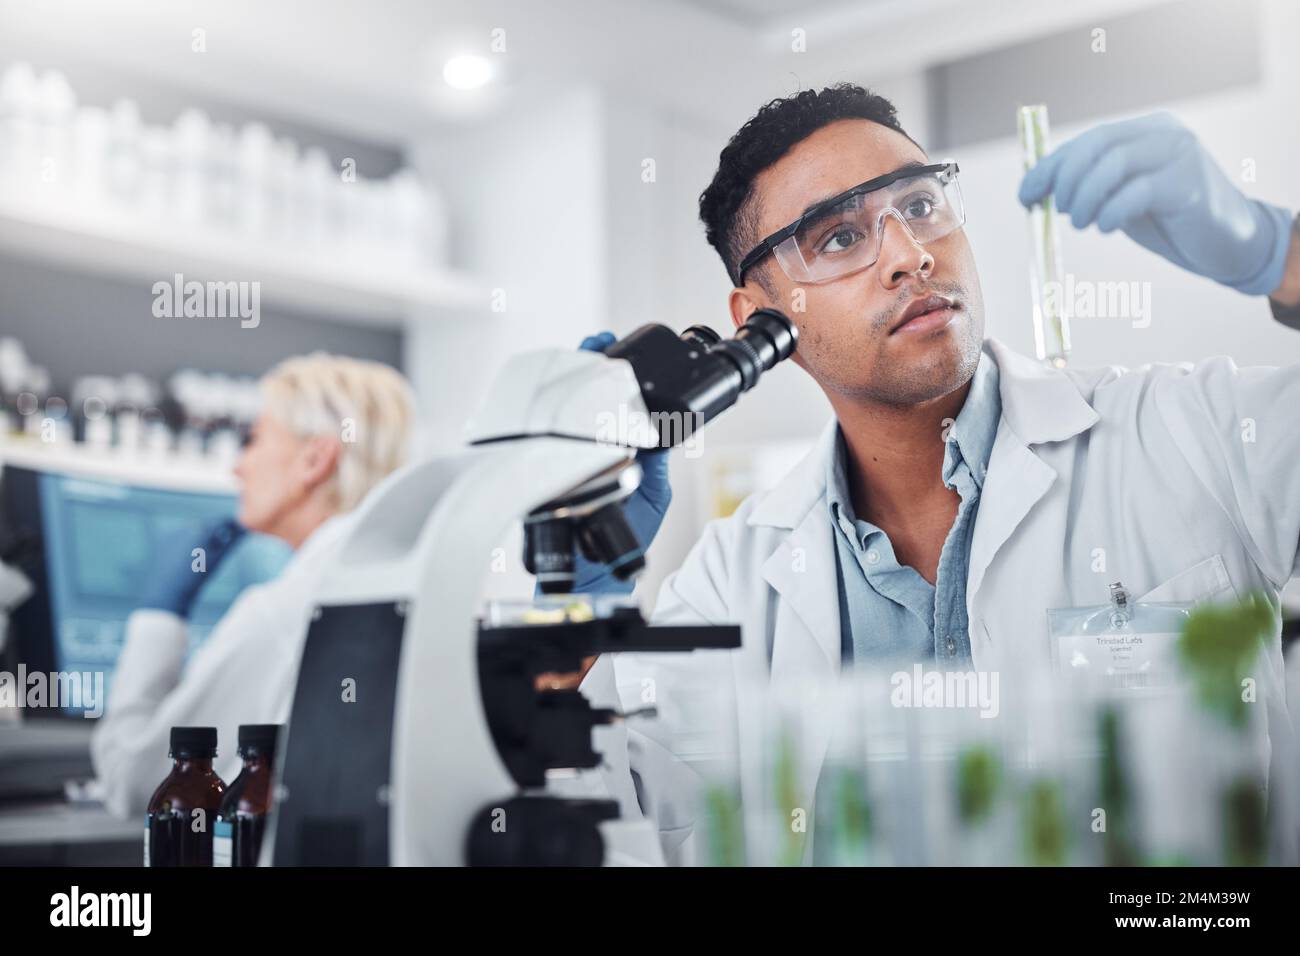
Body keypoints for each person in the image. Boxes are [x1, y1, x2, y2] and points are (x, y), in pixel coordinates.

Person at [577, 84, 1300, 864]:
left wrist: (1281, 255)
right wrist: (575, 596)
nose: (908, 255)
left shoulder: (1193, 436)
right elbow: (607, 817)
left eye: (919, 206)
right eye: (840, 237)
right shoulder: (729, 582)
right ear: (760, 314)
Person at [92, 353, 415, 818]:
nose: (238, 468)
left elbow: (132, 781)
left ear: (315, 459)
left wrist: (158, 616)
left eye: (254, 440)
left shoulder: (288, 609)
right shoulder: (394, 576)